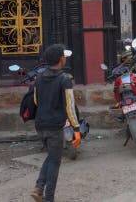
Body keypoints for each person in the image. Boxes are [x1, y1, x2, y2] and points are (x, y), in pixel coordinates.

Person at [30, 45, 80, 202]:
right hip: (54, 126)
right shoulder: (64, 80)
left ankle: (39, 188)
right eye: (64, 56)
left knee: (52, 156)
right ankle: (48, 198)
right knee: (55, 161)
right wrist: (76, 129)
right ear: (61, 59)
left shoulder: (39, 79)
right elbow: (69, 106)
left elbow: (36, 101)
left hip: (40, 125)